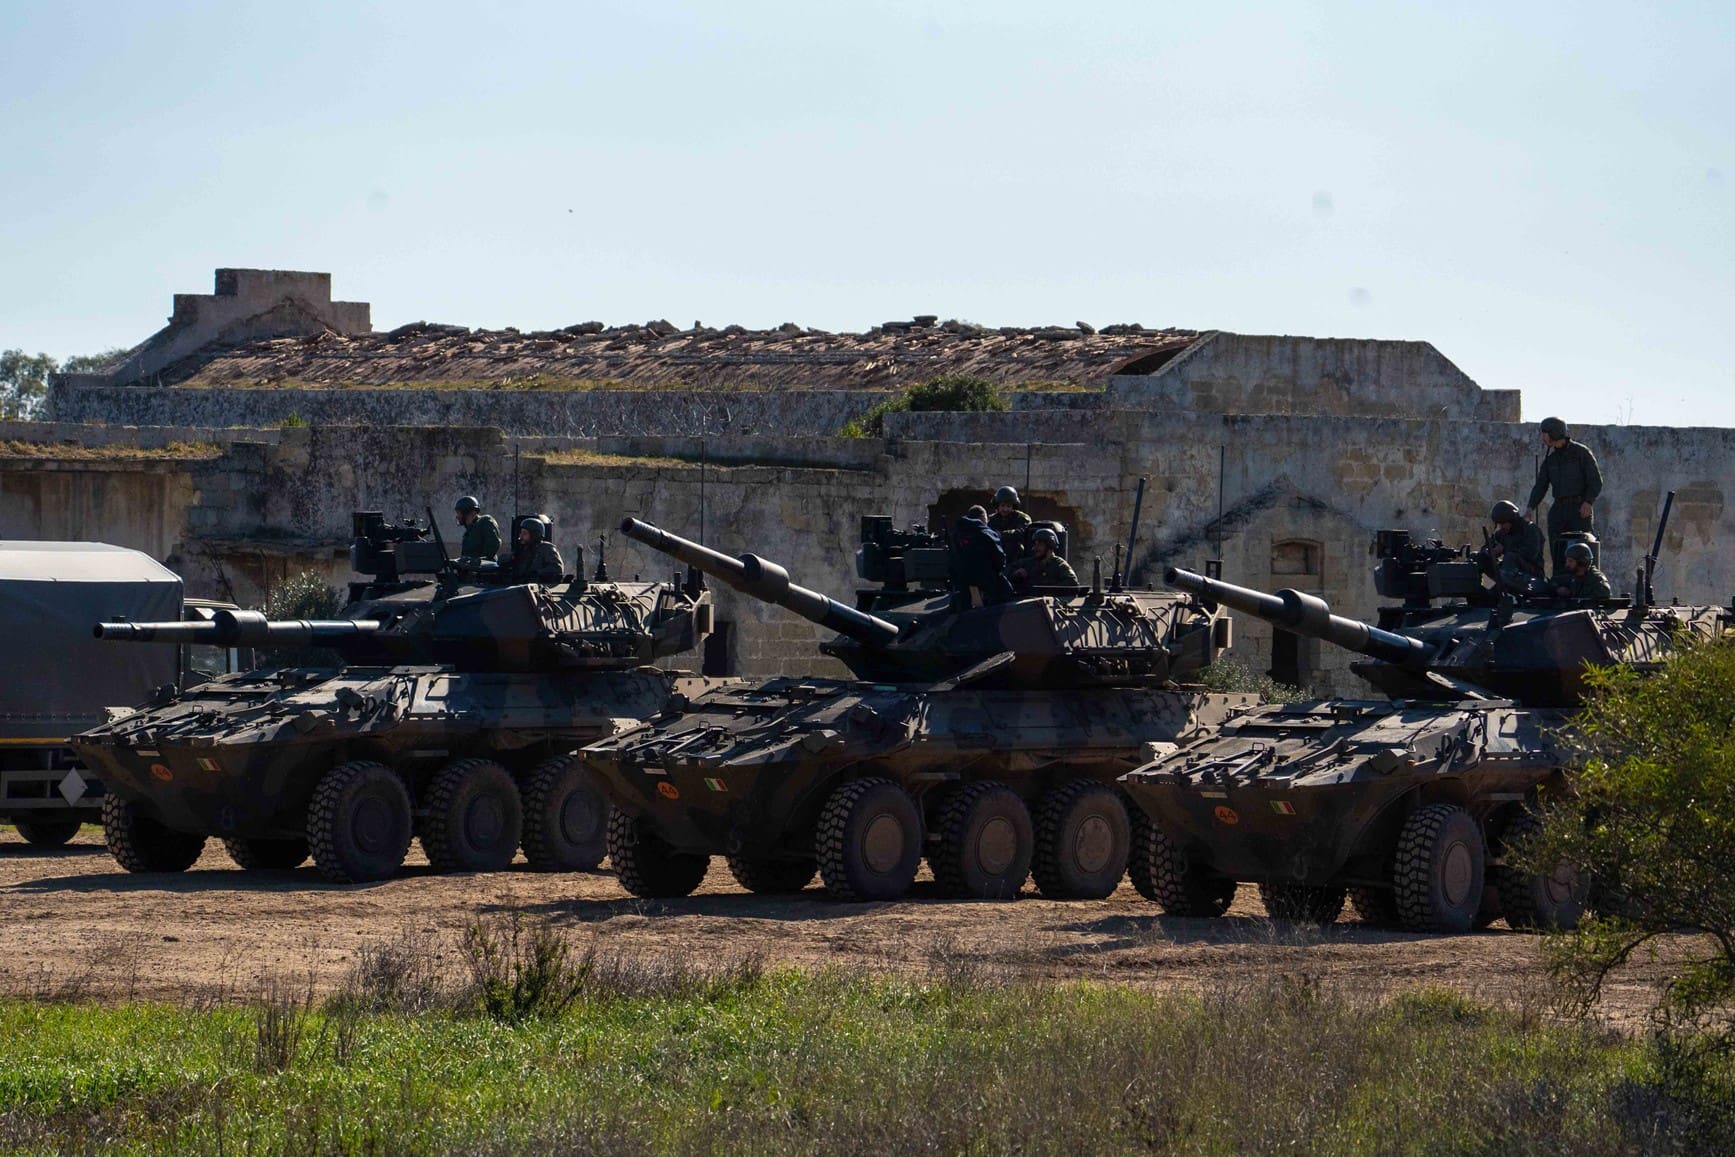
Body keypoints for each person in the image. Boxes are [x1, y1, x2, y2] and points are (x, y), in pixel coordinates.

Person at [1525, 416, 1602, 576]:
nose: (1543, 437)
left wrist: (1588, 502)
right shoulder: (1550, 460)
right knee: (1557, 548)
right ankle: (1559, 581)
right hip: (1559, 509)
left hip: (1579, 508)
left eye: (1545, 433)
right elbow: (1541, 486)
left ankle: (1587, 582)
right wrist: (1530, 507)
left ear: (1554, 432)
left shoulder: (1581, 453)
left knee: (1584, 547)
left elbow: (1595, 481)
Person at [950, 505, 1014, 608]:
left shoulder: (956, 534)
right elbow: (1000, 559)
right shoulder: (988, 533)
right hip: (989, 582)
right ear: (982, 518)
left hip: (962, 583)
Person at [1479, 500, 1546, 594]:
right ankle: (1488, 589)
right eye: (1499, 524)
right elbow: (1485, 548)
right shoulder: (1501, 534)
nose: (1501, 526)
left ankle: (1504, 588)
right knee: (1479, 558)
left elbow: (1530, 553)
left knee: (1510, 557)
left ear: (1512, 520)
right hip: (1507, 572)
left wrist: (1504, 550)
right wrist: (1490, 552)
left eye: (1503, 523)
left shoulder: (1530, 529)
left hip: (1531, 572)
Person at [1009, 527, 1078, 589]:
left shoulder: (1059, 564)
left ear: (1049, 547)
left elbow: (1072, 582)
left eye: (1040, 545)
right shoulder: (1026, 563)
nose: (1035, 548)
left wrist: (1049, 589)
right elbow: (1005, 574)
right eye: (1035, 544)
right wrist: (1015, 574)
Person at [506, 516, 565, 585]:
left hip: (540, 587)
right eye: (521, 533)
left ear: (534, 535)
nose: (520, 536)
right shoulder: (522, 549)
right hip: (520, 587)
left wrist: (537, 572)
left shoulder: (546, 548)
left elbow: (557, 568)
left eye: (524, 533)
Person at [987, 486, 1033, 556]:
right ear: (997, 505)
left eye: (1008, 506)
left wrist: (1002, 535)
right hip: (995, 555)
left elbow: (1022, 532)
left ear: (1013, 506)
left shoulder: (1022, 518)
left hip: (1016, 557)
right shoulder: (991, 519)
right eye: (1002, 505)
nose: (1005, 509)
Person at [453, 496, 500, 561]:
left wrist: (479, 561)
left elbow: (494, 544)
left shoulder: (485, 521)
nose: (457, 516)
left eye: (459, 513)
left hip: (485, 568)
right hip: (472, 569)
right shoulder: (468, 532)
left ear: (467, 512)